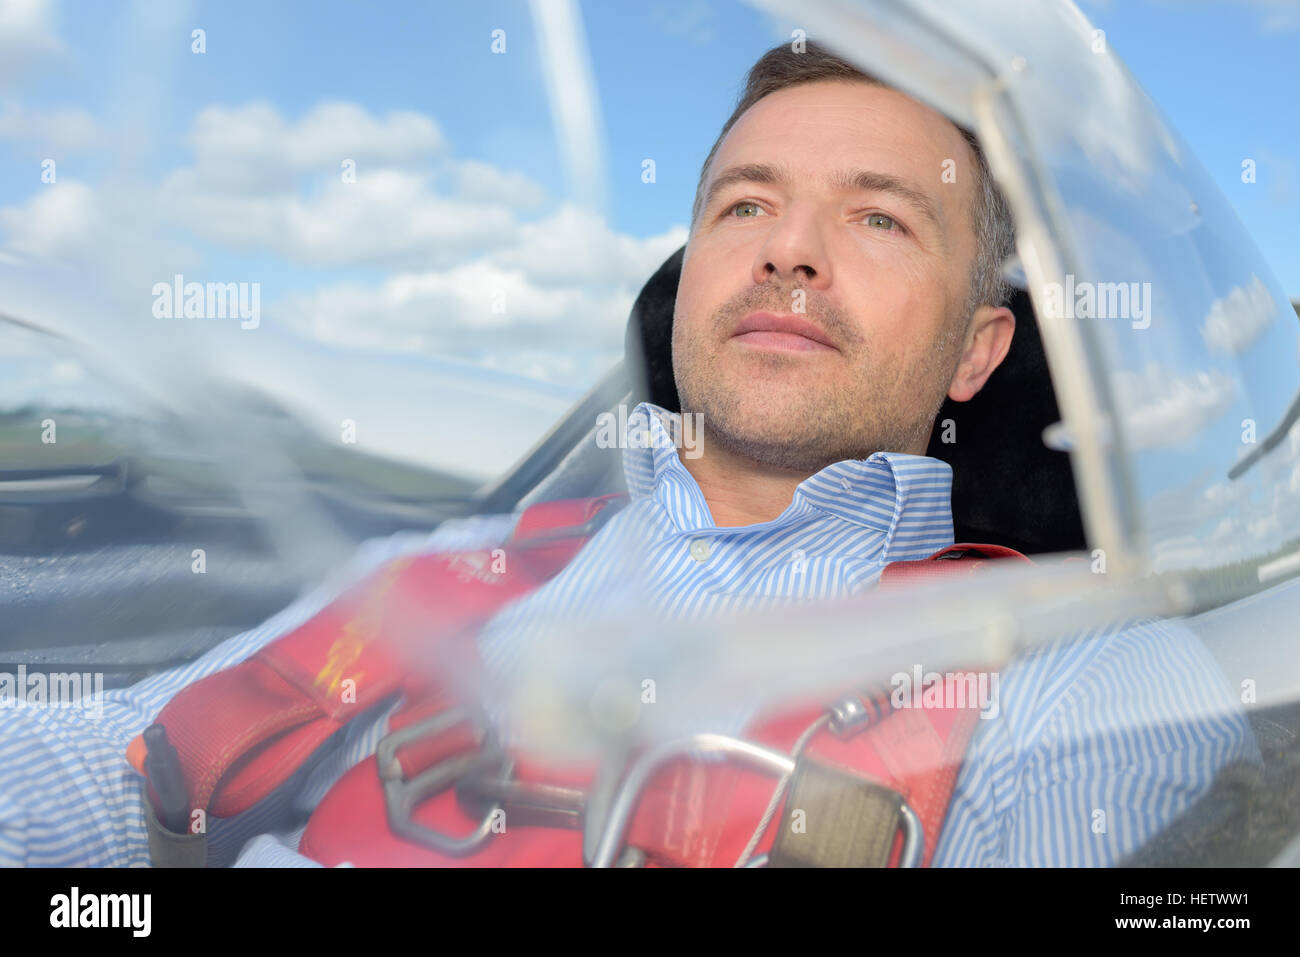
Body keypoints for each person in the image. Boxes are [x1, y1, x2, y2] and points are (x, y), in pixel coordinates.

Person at [0, 41, 1257, 867]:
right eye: (745, 205)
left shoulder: (1082, 684)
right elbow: (112, 775)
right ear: (690, 275)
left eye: (878, 215)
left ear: (977, 354)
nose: (787, 251)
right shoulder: (445, 569)